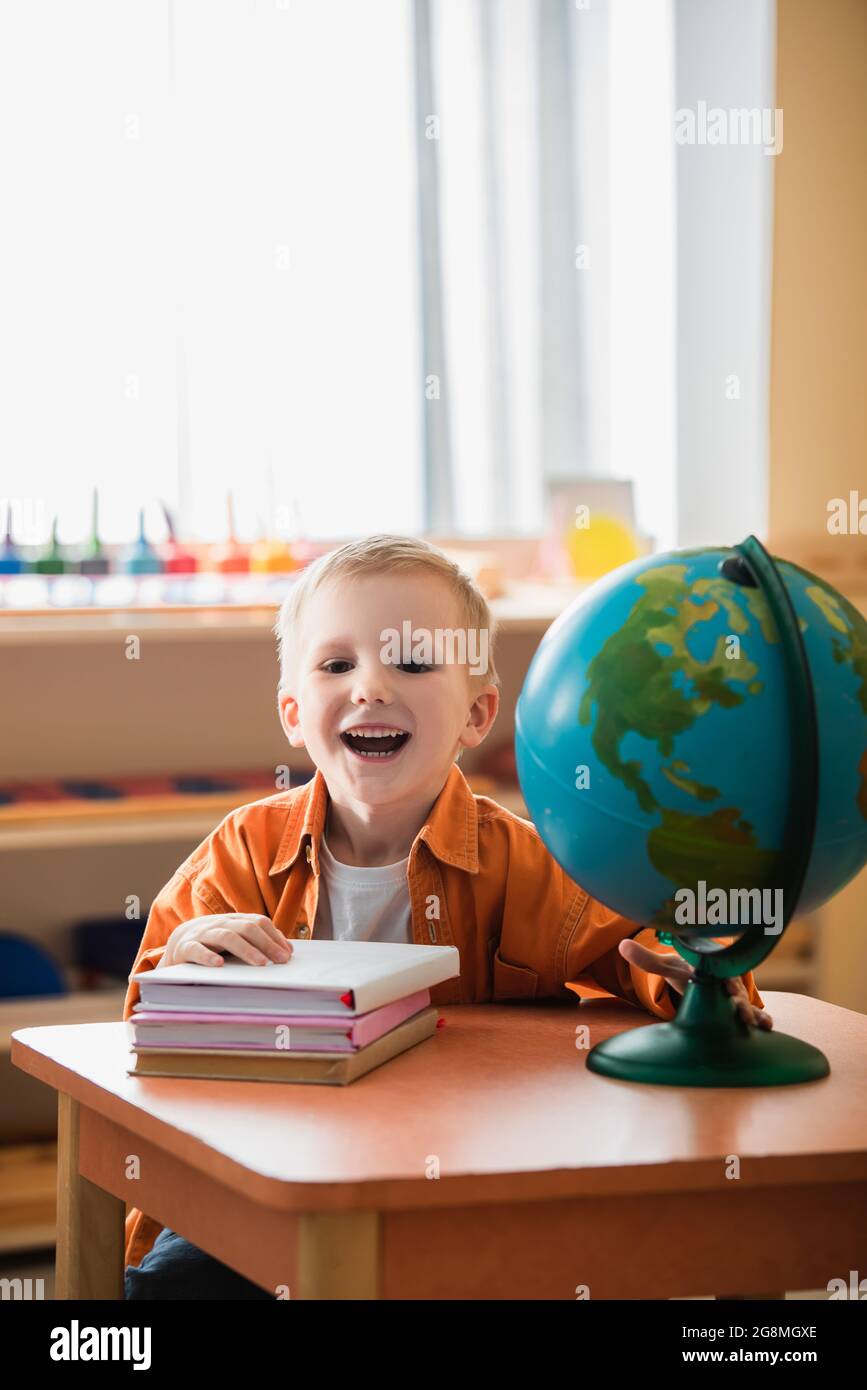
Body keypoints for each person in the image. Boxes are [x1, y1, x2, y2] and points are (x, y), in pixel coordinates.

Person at [124, 534, 769, 1298]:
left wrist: (703, 973)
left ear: (476, 714)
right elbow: (141, 1025)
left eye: (413, 661)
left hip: (460, 1191)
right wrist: (185, 962)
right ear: (293, 713)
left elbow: (653, 941)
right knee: (174, 1290)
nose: (369, 687)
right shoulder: (240, 851)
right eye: (337, 665)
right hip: (265, 1186)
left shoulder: (528, 862)